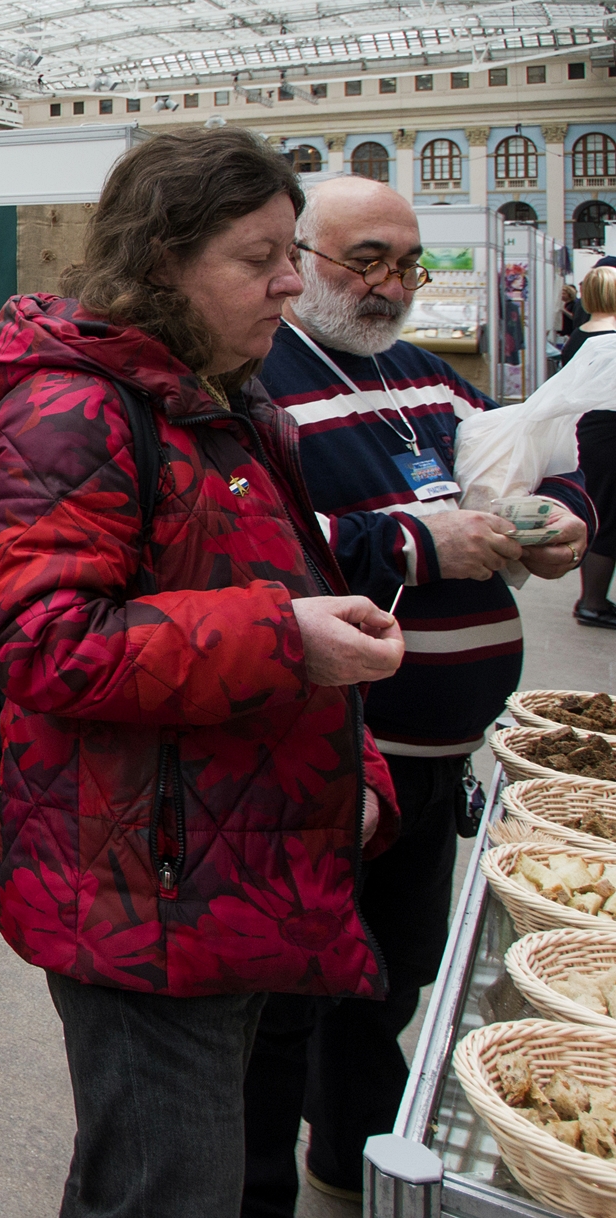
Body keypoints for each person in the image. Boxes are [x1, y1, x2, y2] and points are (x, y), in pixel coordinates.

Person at [0, 126, 406, 1218]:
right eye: (257, 258)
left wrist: (355, 772)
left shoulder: (223, 403)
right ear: (163, 258)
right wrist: (285, 637)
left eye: (290, 250)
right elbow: (47, 642)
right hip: (139, 892)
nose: (290, 281)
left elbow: (272, 591)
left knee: (186, 1173)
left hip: (225, 867)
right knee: (167, 1185)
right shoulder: (70, 411)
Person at [243, 176, 595, 1213]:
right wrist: (411, 542)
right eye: (366, 262)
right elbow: (257, 566)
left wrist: (558, 513)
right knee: (313, 981)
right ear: (297, 258)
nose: (390, 284)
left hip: (438, 751)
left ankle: (343, 1148)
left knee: (392, 968)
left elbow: (523, 456)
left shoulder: (420, 376)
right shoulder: (260, 384)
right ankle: (305, 1156)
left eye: (408, 263)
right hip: (338, 750)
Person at [564, 264, 616, 628]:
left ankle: (593, 600)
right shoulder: (608, 336)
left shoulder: (583, 332)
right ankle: (592, 602)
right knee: (609, 516)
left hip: (591, 432)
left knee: (603, 511)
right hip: (606, 434)